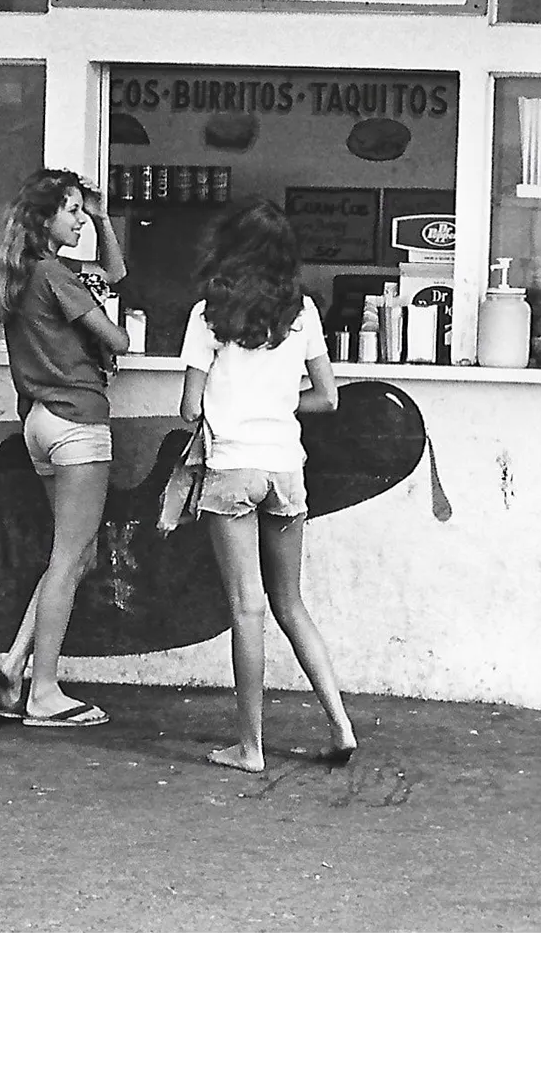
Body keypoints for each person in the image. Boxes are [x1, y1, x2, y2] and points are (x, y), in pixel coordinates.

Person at [179, 201, 357, 773]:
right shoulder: (302, 312)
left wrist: (234, 409)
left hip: (233, 469)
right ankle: (340, 725)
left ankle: (250, 746)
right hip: (286, 469)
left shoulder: (208, 314)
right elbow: (328, 398)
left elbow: (188, 410)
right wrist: (280, 405)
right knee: (291, 604)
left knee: (246, 608)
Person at [0, 169, 131, 728]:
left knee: (75, 555)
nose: (80, 217)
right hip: (77, 421)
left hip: (39, 424)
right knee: (67, 559)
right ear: (45, 219)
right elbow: (120, 340)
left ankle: (13, 671)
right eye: (71, 210)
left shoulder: (27, 273)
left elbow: (114, 271)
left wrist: (104, 217)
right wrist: (98, 330)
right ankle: (45, 693)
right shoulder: (55, 275)